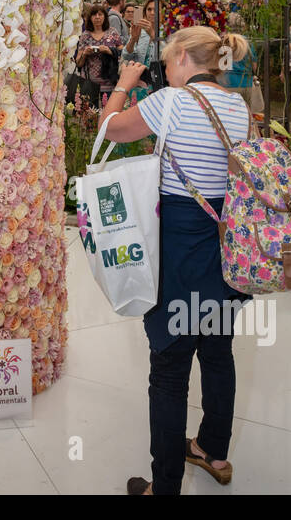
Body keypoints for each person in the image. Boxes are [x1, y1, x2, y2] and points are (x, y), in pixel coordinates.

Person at [97, 25, 253, 495]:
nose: (166, 69)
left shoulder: (173, 101)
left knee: (168, 371)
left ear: (184, 56)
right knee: (218, 353)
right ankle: (214, 451)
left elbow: (110, 129)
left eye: (168, 61)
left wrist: (123, 84)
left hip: (182, 247)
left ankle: (163, 488)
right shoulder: (239, 106)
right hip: (225, 247)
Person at [74, 3, 123, 106]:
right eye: (94, 15)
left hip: (109, 81)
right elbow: (78, 63)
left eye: (100, 14)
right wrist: (85, 53)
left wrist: (109, 51)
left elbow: (122, 53)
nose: (97, 17)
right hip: (90, 83)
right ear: (90, 17)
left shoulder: (112, 32)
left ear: (105, 17)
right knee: (90, 116)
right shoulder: (85, 35)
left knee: (109, 113)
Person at [218, 12, 260, 114]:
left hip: (226, 83)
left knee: (227, 114)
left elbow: (219, 65)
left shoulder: (223, 41)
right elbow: (254, 67)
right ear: (242, 26)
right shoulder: (248, 42)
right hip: (245, 83)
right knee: (246, 115)